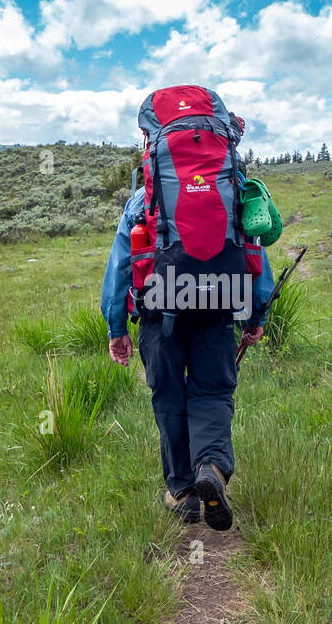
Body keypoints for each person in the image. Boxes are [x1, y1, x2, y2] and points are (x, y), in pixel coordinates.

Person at [101, 182, 274, 530]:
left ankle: (183, 493)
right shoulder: (235, 189)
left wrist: (116, 327)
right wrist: (256, 317)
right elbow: (255, 252)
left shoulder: (143, 199)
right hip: (218, 306)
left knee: (169, 397)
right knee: (211, 392)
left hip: (159, 311)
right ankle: (211, 466)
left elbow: (121, 265)